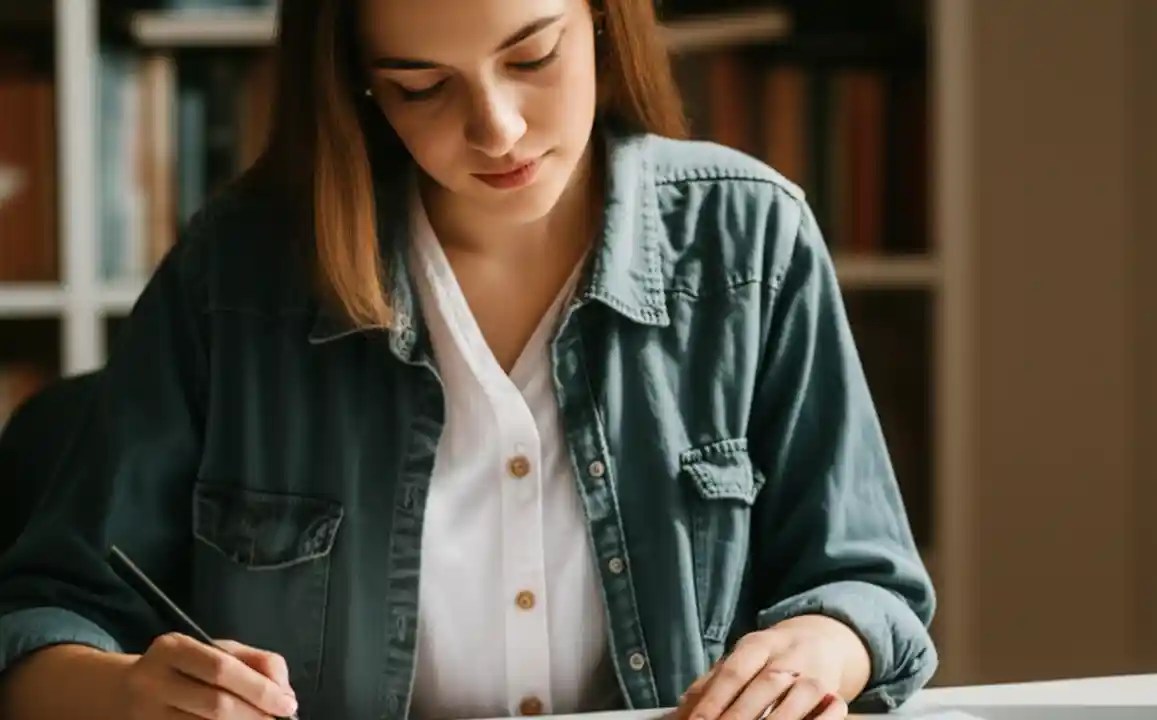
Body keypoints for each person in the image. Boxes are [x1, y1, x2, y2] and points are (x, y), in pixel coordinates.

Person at [0, 0, 938, 718]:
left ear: (604, 24)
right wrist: (124, 690)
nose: (497, 130)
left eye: (533, 56)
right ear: (358, 82)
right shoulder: (236, 275)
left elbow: (869, 582)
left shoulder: (749, 240)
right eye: (421, 84)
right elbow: (38, 628)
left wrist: (824, 642)